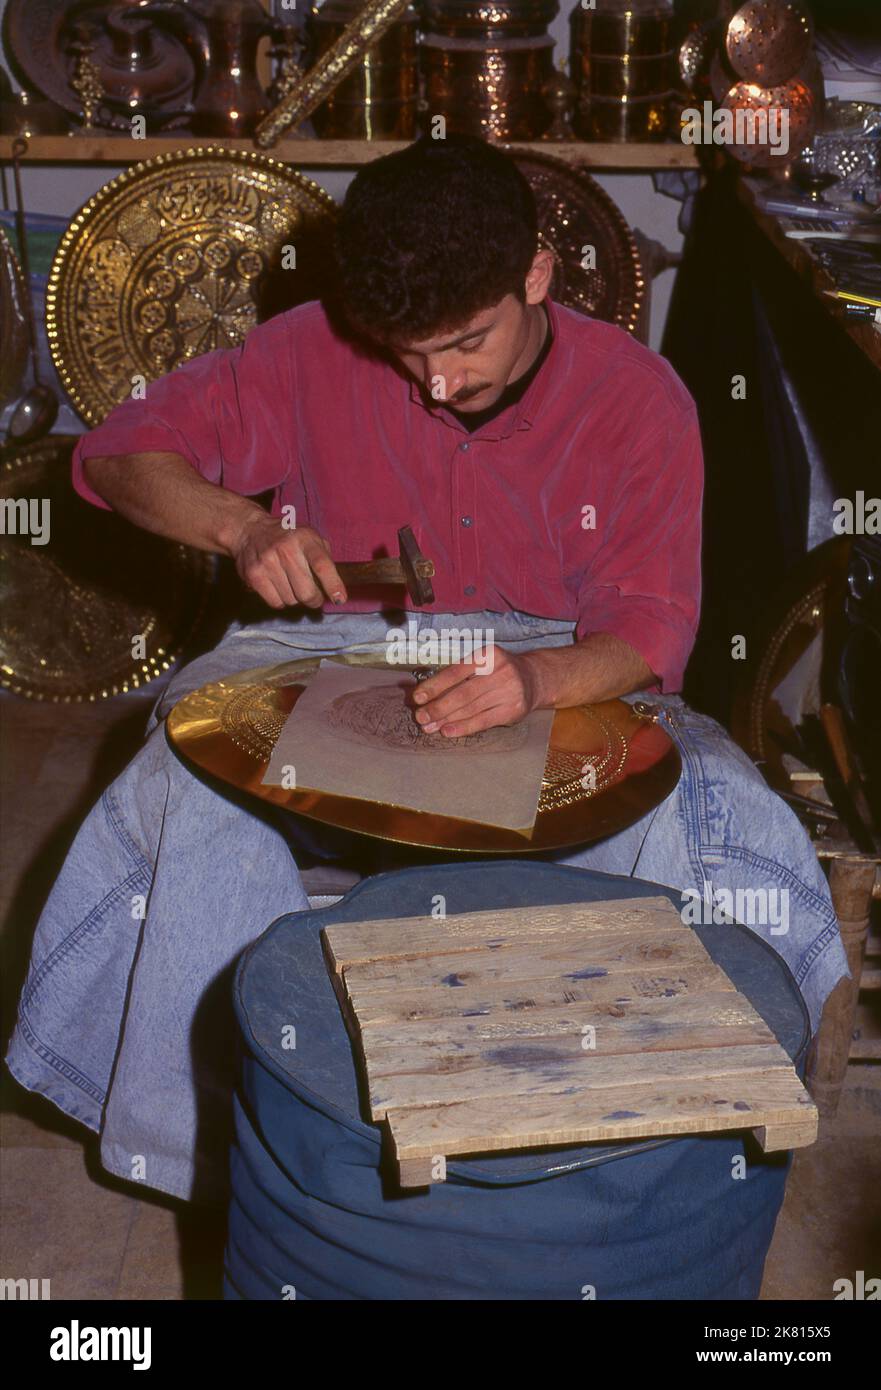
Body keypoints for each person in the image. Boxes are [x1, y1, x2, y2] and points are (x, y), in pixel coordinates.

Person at [6, 136, 846, 1203]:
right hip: (330, 644)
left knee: (710, 808)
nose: (438, 381)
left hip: (559, 661)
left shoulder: (639, 398)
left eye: (463, 341)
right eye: (405, 355)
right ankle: (217, 1160)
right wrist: (237, 528)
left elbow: (648, 632)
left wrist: (531, 683)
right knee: (188, 785)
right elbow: (115, 454)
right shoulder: (313, 346)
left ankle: (636, 1141)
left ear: (534, 274)